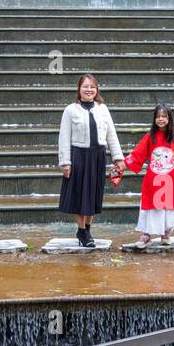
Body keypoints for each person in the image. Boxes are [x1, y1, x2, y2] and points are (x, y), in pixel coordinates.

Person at [117, 103, 174, 247]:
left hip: (171, 177)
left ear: (169, 118)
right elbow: (138, 153)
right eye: (158, 116)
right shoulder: (149, 136)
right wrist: (125, 163)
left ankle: (166, 233)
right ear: (154, 119)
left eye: (164, 116)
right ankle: (146, 234)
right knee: (152, 206)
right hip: (154, 179)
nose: (161, 119)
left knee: (169, 207)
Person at [57, 73, 123, 247]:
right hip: (78, 156)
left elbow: (111, 135)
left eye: (92, 87)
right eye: (85, 86)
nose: (89, 89)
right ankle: (81, 231)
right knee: (79, 195)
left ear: (96, 90)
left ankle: (87, 228)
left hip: (97, 156)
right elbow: (64, 137)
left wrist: (118, 158)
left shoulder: (102, 108)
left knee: (93, 195)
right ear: (79, 89)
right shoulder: (70, 110)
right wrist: (65, 162)